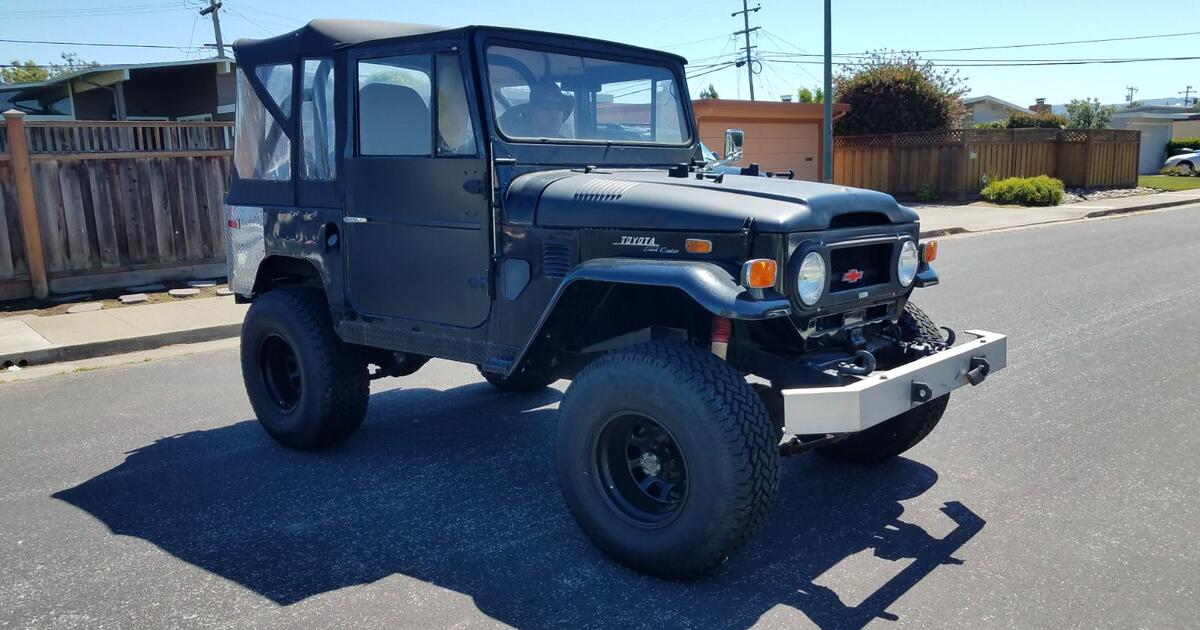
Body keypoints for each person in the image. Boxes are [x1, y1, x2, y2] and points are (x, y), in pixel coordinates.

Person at [501, 79, 574, 138]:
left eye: (559, 109)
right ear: (531, 113)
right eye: (546, 108)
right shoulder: (516, 142)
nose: (554, 114)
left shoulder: (568, 146)